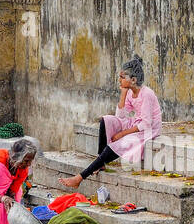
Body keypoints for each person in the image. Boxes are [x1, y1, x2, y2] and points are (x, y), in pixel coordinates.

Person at [61, 55, 162, 188]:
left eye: (122, 77)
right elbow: (120, 116)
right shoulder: (130, 92)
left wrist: (122, 134)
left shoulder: (147, 94)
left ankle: (80, 177)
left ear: (133, 80)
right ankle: (100, 162)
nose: (119, 80)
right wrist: (123, 94)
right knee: (107, 120)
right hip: (136, 123)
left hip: (148, 129)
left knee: (119, 144)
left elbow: (146, 123)